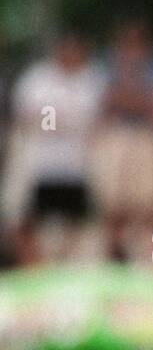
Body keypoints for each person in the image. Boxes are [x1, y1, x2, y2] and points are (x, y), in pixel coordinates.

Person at [7, 32, 106, 264]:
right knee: (26, 219)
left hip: (76, 166)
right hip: (40, 165)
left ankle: (64, 267)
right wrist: (64, 121)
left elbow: (95, 120)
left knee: (76, 223)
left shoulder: (92, 80)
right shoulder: (37, 78)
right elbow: (28, 116)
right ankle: (32, 266)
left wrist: (59, 120)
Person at [91, 19, 153, 263]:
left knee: (149, 203)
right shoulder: (104, 64)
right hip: (116, 137)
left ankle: (152, 260)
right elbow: (106, 101)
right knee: (112, 202)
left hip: (148, 139)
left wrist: (128, 97)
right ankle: (113, 258)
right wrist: (140, 99)